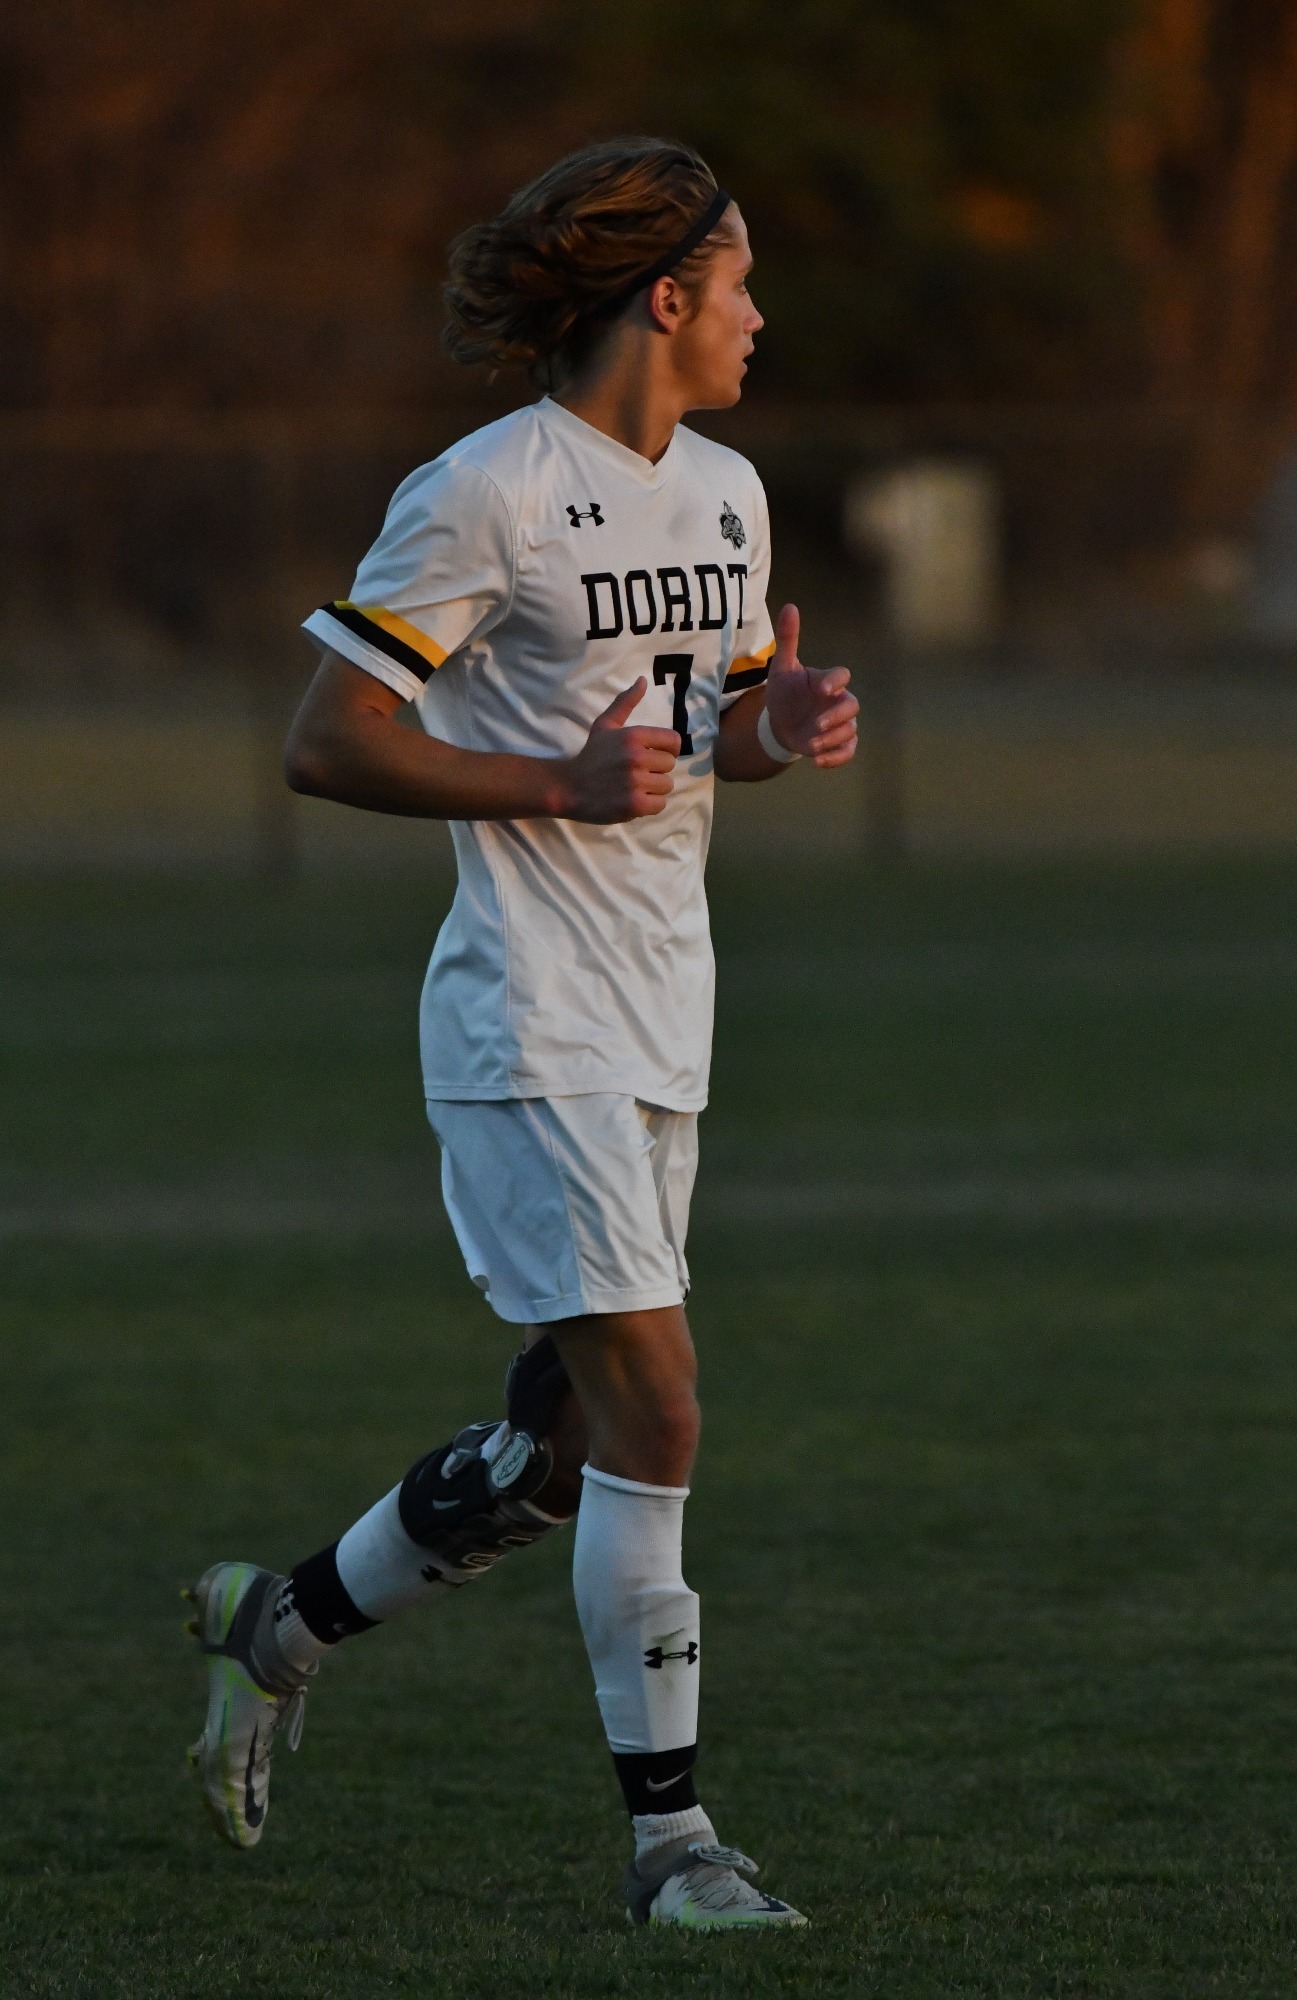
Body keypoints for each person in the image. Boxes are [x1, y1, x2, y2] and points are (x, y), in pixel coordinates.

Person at [184, 135, 858, 1931]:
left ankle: (289, 1619)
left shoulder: (724, 492)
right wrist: (541, 781)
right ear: (664, 298)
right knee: (663, 1402)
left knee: (563, 1455)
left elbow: (687, 740)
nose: (757, 317)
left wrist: (772, 730)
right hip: (531, 1025)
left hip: (666, 1026)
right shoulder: (481, 491)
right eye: (738, 285)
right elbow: (328, 739)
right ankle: (675, 1852)